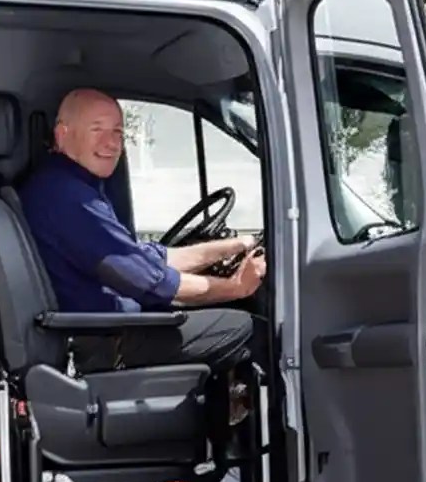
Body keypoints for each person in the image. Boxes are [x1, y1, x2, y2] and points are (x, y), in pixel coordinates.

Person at [17, 88, 266, 379]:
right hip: (103, 344)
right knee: (250, 329)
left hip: (104, 330)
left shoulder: (66, 184)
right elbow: (151, 282)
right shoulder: (69, 197)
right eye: (97, 129)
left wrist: (232, 246)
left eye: (118, 132)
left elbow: (146, 259)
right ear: (62, 135)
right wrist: (237, 287)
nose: (111, 143)